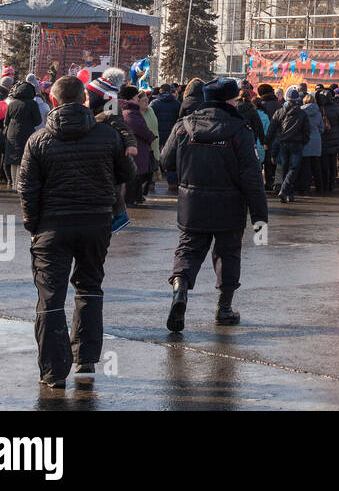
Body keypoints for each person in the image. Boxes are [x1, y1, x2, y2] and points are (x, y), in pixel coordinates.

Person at [18, 75, 131, 387]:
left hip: (52, 227)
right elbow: (128, 172)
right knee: (90, 288)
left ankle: (54, 371)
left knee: (51, 298)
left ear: (53, 101)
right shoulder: (107, 135)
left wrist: (33, 226)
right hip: (95, 224)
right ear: (84, 100)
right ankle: (85, 358)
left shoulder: (38, 140)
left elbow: (27, 189)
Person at [162, 78, 268, 332]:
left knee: (188, 251)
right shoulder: (240, 130)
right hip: (229, 206)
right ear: (231, 100)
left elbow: (166, 161)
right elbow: (252, 178)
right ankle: (224, 308)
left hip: (192, 204)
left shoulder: (184, 126)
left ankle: (180, 291)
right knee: (227, 254)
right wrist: (260, 219)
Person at [269, 87, 310, 204]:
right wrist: (303, 142)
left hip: (283, 143)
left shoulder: (279, 111)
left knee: (286, 169)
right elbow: (306, 130)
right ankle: (284, 191)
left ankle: (288, 194)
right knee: (294, 169)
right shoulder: (302, 113)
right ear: (297, 100)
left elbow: (272, 128)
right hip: (296, 144)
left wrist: (267, 141)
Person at [119, 86, 156, 206]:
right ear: (131, 97)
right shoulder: (130, 112)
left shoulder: (129, 110)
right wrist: (150, 136)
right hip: (136, 147)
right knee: (134, 175)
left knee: (137, 175)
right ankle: (129, 200)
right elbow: (138, 127)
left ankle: (135, 197)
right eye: (136, 97)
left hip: (136, 146)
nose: (137, 99)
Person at [3, 79, 43, 189]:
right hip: (27, 132)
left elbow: (6, 121)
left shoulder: (12, 103)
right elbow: (38, 121)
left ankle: (13, 184)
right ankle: (19, 184)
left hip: (12, 132)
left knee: (12, 159)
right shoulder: (33, 104)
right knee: (23, 159)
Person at [317, 88, 339, 195]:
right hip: (335, 137)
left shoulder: (320, 108)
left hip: (324, 138)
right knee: (332, 162)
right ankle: (332, 184)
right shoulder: (337, 108)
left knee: (324, 163)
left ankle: (325, 184)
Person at [301, 87, 324, 196]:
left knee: (306, 166)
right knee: (316, 166)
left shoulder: (301, 112)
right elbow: (322, 129)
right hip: (316, 141)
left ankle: (305, 188)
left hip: (305, 141)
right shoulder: (318, 113)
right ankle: (320, 187)